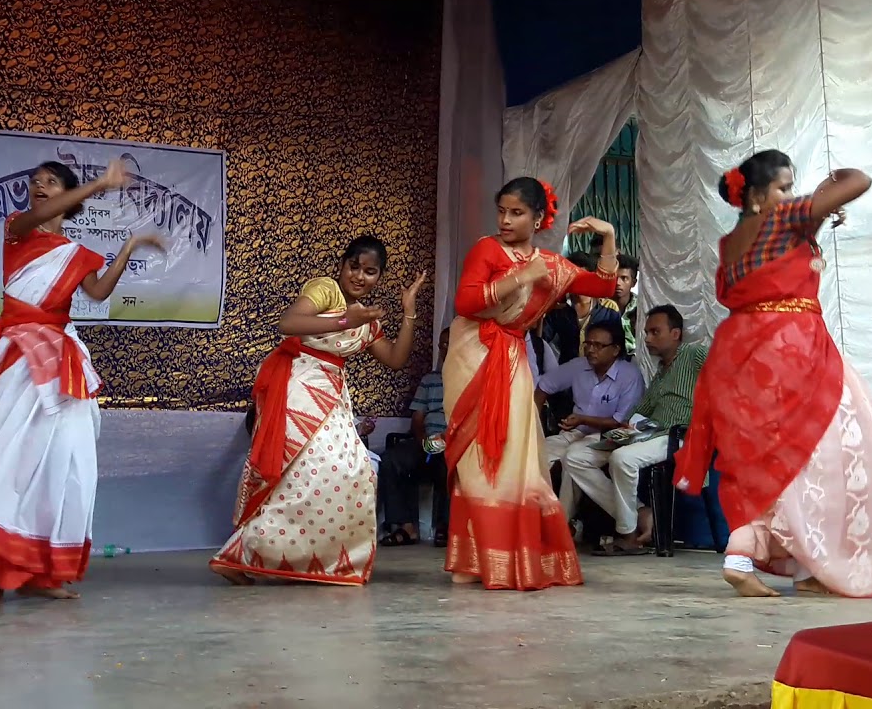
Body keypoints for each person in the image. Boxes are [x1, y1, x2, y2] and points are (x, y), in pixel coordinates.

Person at [675, 150, 872, 598]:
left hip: (741, 353)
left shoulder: (734, 239)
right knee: (824, 456)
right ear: (761, 195)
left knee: (760, 460)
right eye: (784, 186)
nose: (791, 193)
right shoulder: (784, 216)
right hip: (790, 347)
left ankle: (763, 559)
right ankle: (798, 560)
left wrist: (819, 212)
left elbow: (784, 259)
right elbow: (858, 178)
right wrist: (829, 184)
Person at [0, 158, 158, 607]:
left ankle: (43, 570)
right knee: (5, 459)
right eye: (34, 181)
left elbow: (98, 292)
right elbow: (37, 214)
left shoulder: (76, 254)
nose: (39, 186)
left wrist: (126, 248)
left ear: (66, 198)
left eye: (51, 182)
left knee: (61, 463)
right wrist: (99, 185)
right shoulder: (18, 230)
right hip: (18, 357)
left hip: (63, 362)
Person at [211, 237, 426, 586]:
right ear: (341, 265)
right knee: (300, 473)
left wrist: (408, 311)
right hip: (299, 384)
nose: (359, 276)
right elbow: (289, 324)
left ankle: (311, 559)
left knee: (355, 470)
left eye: (370, 272)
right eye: (353, 266)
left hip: (333, 395)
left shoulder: (366, 319)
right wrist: (343, 319)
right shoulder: (326, 291)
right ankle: (244, 554)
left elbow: (396, 360)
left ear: (379, 278)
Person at [442, 177, 618, 590]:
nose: (505, 219)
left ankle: (508, 558)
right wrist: (522, 277)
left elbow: (605, 287)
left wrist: (608, 236)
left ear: (538, 218)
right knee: (478, 454)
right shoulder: (487, 249)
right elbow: (466, 303)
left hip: (513, 360)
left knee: (515, 455)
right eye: (501, 210)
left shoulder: (552, 267)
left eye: (516, 212)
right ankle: (476, 558)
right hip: (473, 355)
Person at [549, 306, 704, 555]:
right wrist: (625, 428)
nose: (647, 338)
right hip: (646, 434)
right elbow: (640, 410)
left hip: (677, 435)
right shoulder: (661, 372)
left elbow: (726, 369)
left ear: (675, 334)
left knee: (622, 459)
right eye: (646, 333)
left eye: (655, 332)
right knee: (575, 457)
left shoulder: (694, 354)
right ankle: (641, 513)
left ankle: (628, 534)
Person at [534, 320, 643, 537]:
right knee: (534, 455)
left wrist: (583, 418)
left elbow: (621, 422)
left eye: (598, 345)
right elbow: (543, 386)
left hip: (610, 436)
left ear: (615, 350)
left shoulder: (629, 375)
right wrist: (534, 426)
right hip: (576, 432)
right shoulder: (579, 365)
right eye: (588, 344)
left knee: (572, 459)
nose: (591, 350)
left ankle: (562, 525)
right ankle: (545, 523)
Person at [378, 328, 450, 548]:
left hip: (453, 442)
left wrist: (445, 440)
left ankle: (446, 528)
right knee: (390, 460)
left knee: (451, 464)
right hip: (426, 442)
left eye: (450, 344)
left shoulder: (472, 380)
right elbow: (417, 419)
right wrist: (424, 442)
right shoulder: (430, 380)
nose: (445, 349)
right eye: (442, 345)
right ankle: (404, 527)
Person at [615, 255, 639, 357]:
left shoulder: (641, 307)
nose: (617, 283)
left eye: (624, 278)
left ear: (633, 283)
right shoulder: (600, 306)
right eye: (614, 278)